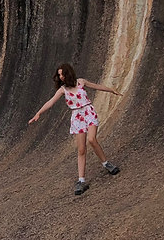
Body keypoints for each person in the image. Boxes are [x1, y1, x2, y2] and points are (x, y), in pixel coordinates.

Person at [29, 63, 123, 196]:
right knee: (81, 149)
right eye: (59, 75)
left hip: (88, 112)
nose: (61, 77)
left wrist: (111, 90)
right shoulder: (63, 90)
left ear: (69, 73)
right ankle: (81, 180)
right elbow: (50, 102)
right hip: (77, 117)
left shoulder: (81, 82)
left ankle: (106, 164)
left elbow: (96, 86)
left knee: (91, 139)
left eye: (62, 74)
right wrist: (38, 113)